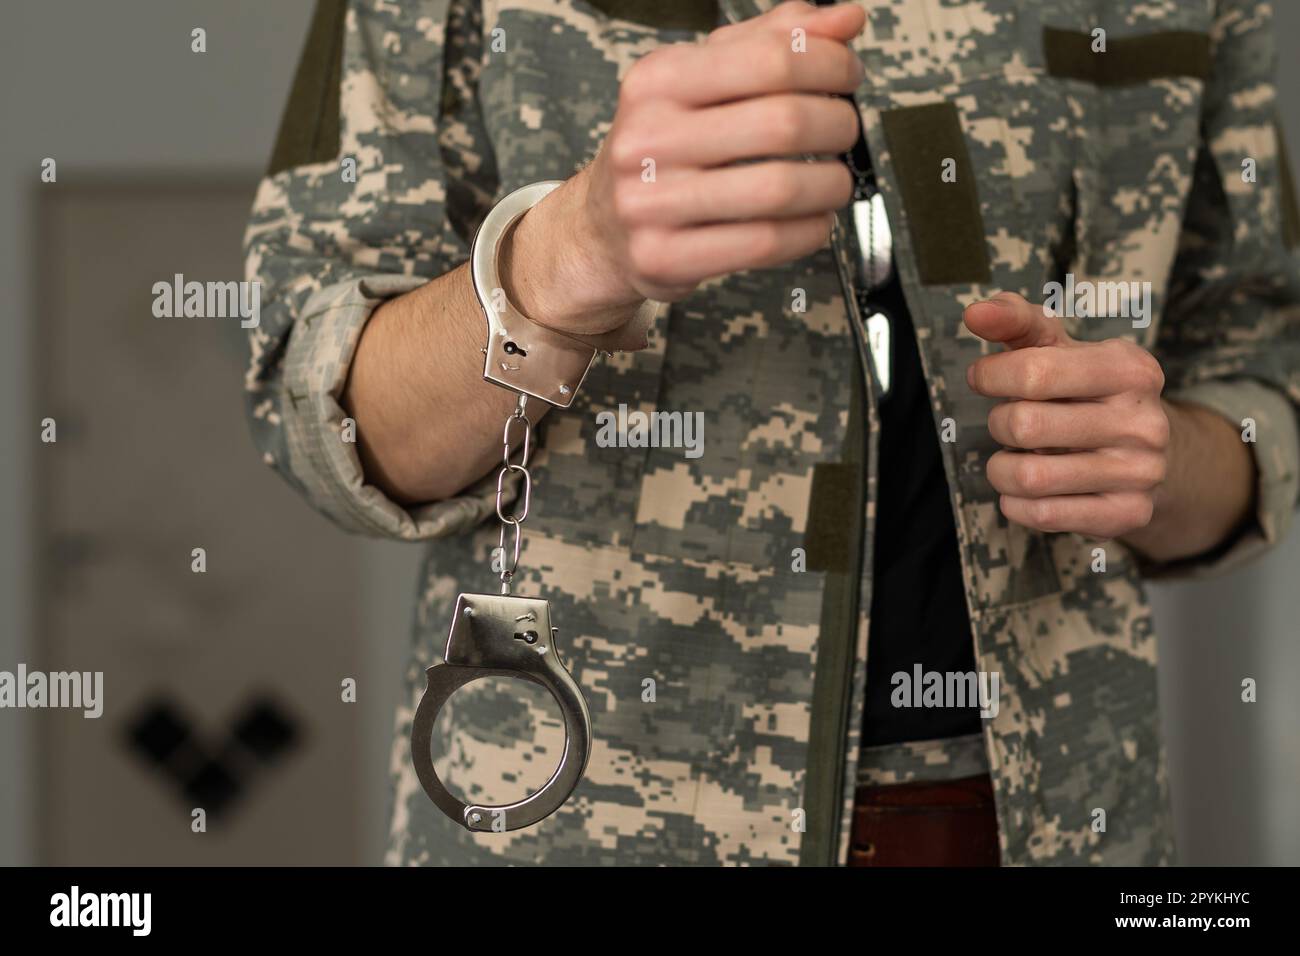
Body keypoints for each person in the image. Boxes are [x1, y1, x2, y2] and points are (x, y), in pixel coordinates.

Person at [243, 0, 1300, 865]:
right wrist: (567, 254)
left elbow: (1262, 383)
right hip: (589, 821)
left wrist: (1158, 457)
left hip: (1059, 818)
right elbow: (315, 411)